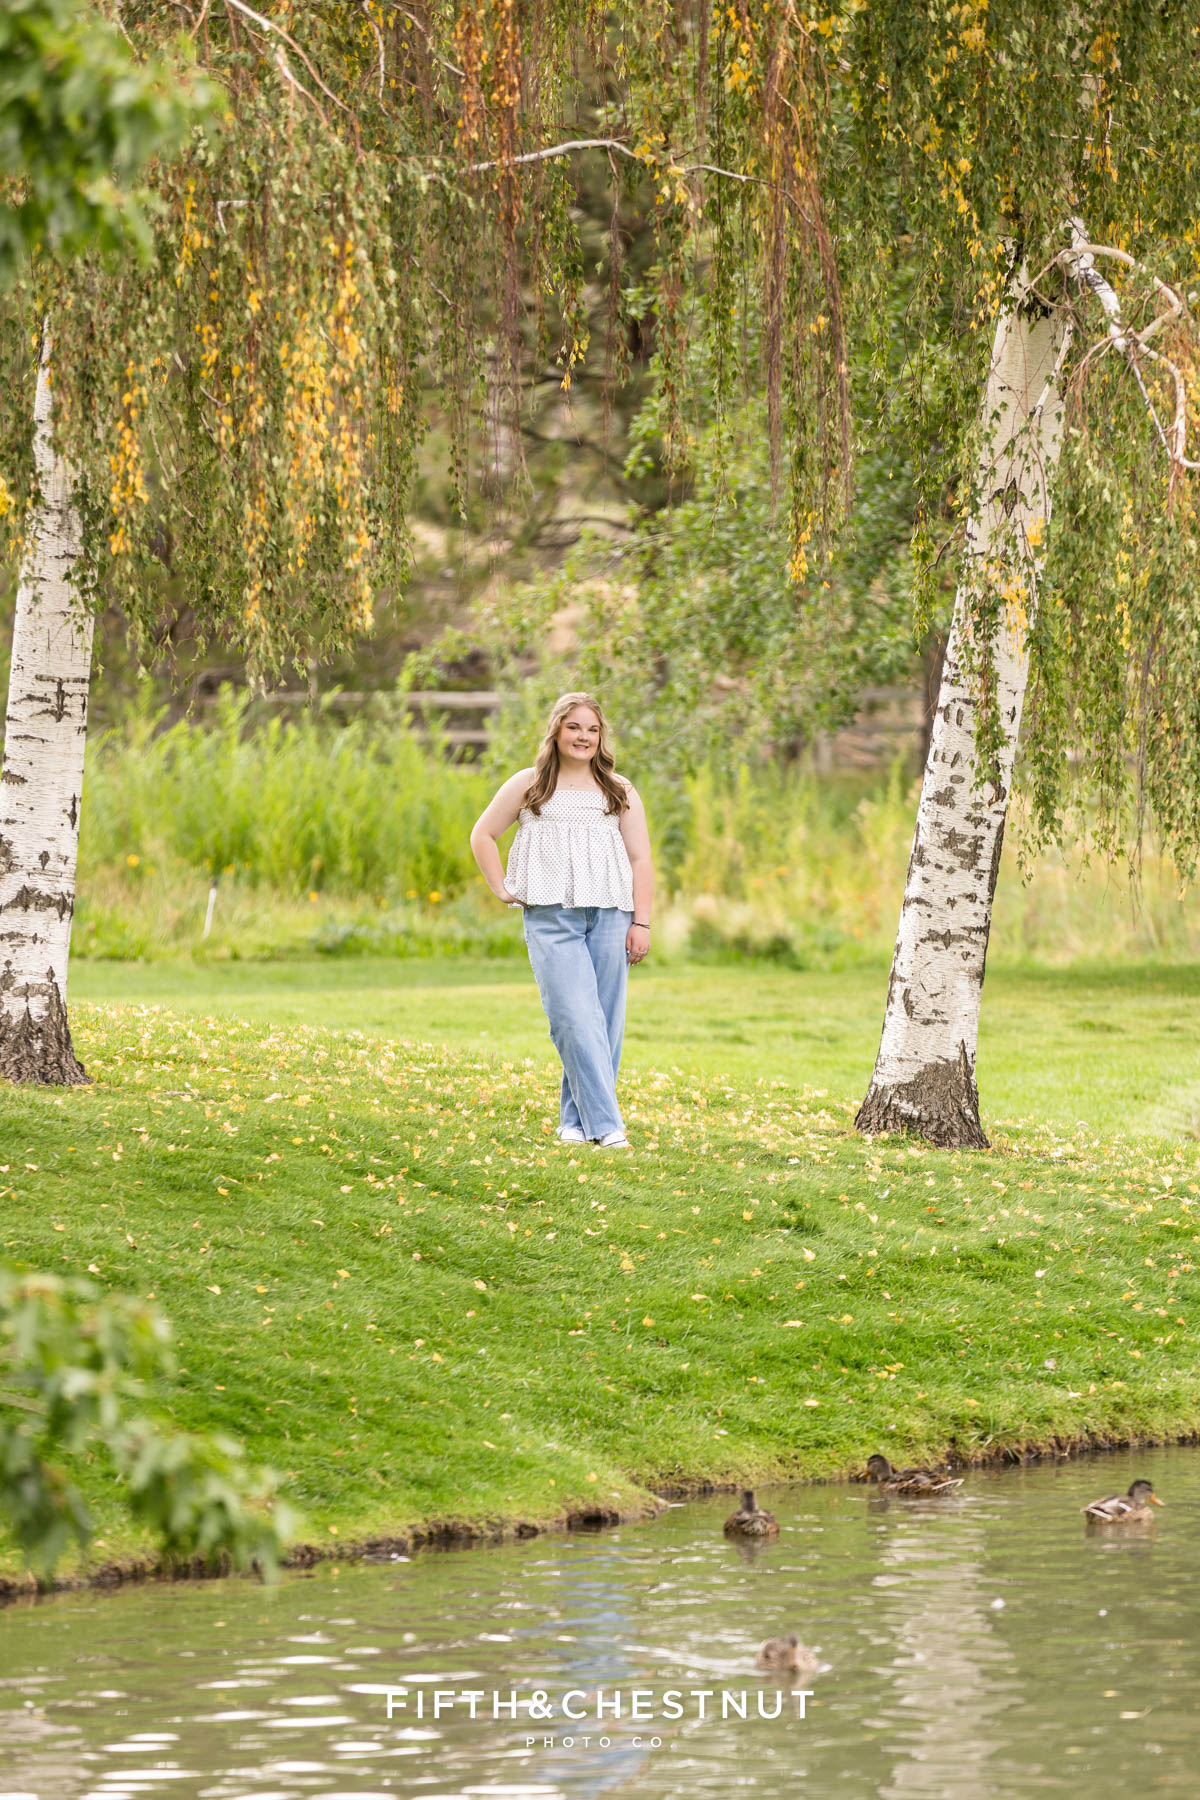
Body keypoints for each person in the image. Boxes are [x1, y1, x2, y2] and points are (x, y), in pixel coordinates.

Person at [470, 693, 654, 1147]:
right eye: (575, 727)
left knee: (604, 1021)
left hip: (612, 914)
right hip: (551, 918)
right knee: (572, 1018)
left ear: (601, 737)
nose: (583, 737)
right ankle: (608, 1127)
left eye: (592, 730)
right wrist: (501, 887)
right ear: (556, 730)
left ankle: (575, 1124)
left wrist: (642, 922)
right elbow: (483, 835)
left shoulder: (619, 789)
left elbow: (641, 859)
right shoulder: (529, 785)